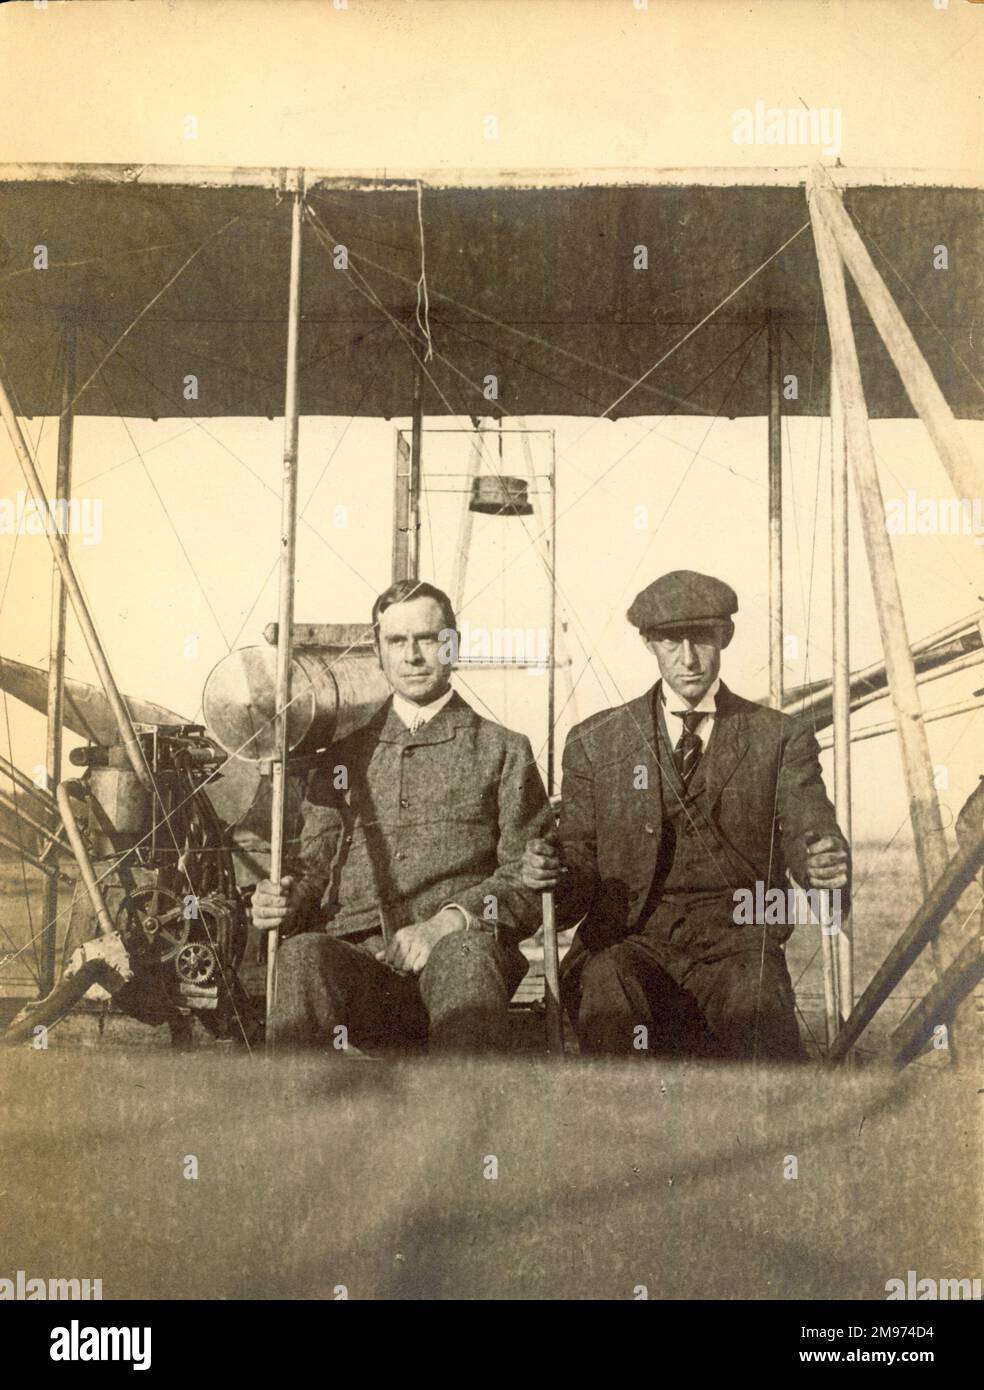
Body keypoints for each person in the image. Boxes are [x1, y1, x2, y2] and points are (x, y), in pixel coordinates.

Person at [521, 569, 850, 1062]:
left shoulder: (779, 738)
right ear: (648, 644)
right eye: (671, 642)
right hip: (629, 943)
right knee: (610, 995)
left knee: (759, 1009)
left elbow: (810, 830)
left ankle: (776, 1140)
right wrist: (552, 873)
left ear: (726, 638)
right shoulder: (597, 741)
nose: (689, 658)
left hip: (737, 945)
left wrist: (823, 864)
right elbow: (578, 867)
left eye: (701, 639)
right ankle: (623, 1139)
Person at [252, 579, 552, 1053]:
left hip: (460, 959)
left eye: (428, 639)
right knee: (302, 957)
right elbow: (312, 869)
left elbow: (525, 880)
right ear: (378, 650)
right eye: (397, 641)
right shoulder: (342, 758)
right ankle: (301, 1122)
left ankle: (460, 1124)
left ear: (452, 646)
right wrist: (284, 901)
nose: (412, 655)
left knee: (468, 959)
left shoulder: (503, 750)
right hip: (360, 961)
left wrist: (448, 922)